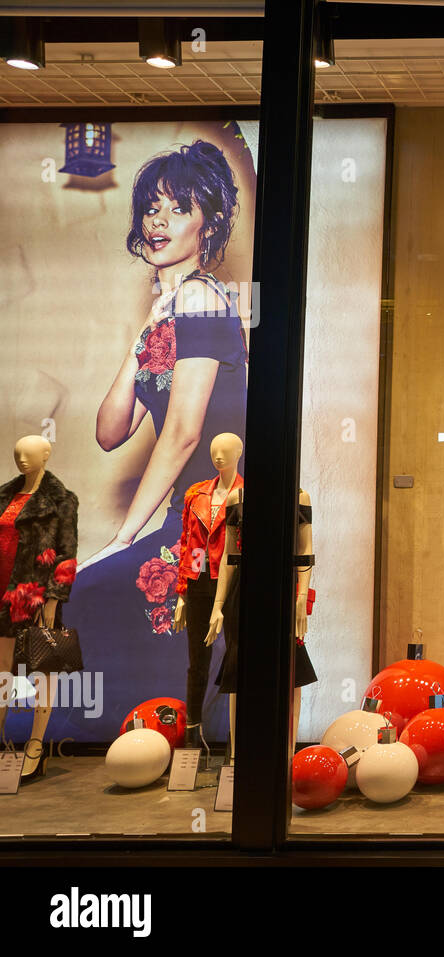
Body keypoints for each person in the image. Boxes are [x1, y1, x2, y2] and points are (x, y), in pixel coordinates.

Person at [62, 140, 247, 740]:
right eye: (151, 208)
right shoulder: (172, 308)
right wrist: (144, 329)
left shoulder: (201, 298)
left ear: (209, 222)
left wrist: (122, 538)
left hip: (212, 519)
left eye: (178, 207)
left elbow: (183, 431)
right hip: (182, 514)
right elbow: (110, 431)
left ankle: (166, 743)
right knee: (87, 595)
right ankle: (154, 741)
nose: (159, 221)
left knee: (93, 589)